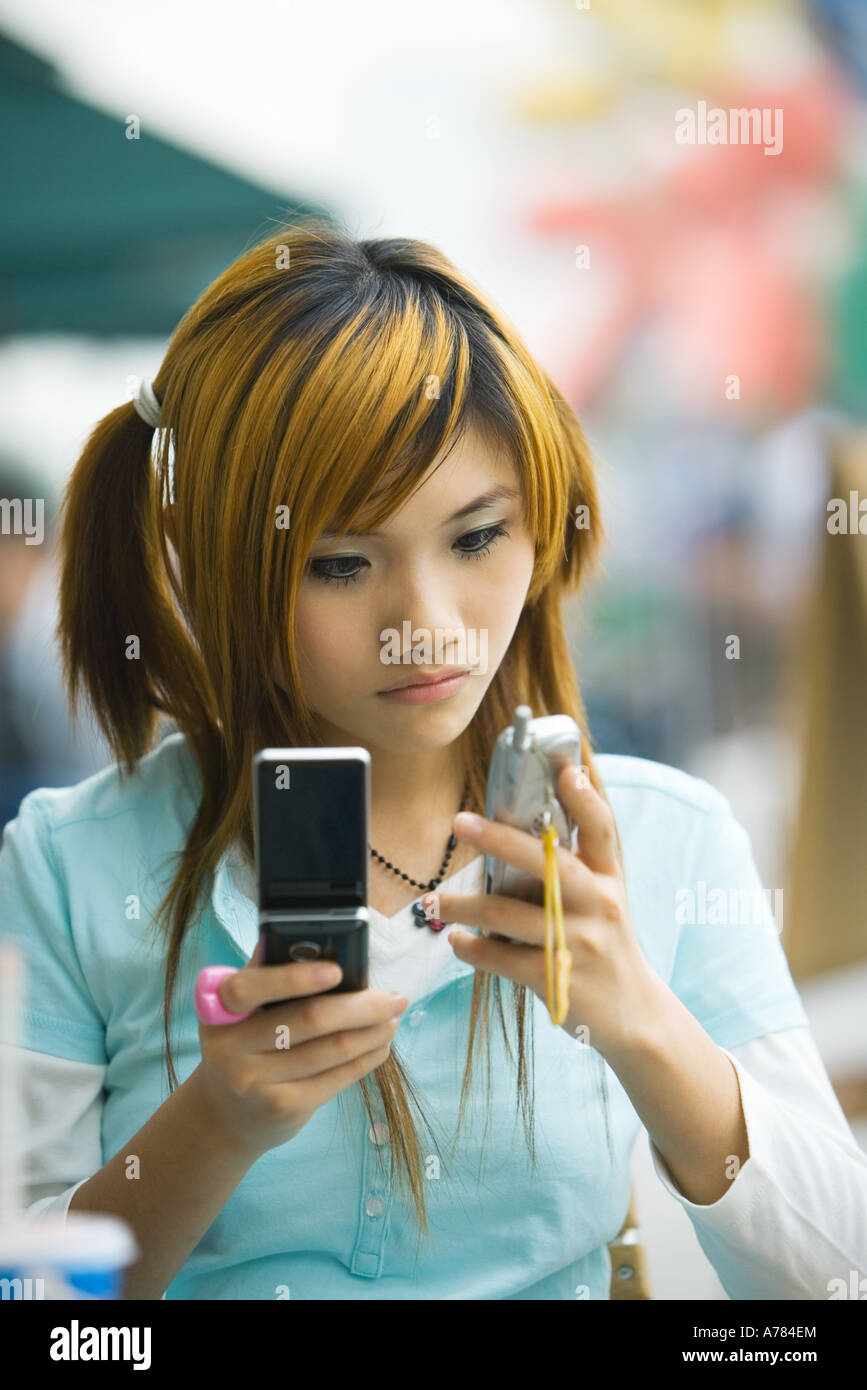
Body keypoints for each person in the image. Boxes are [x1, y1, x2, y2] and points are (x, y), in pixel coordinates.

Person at [2, 219, 865, 1301]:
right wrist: (211, 1127)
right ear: (221, 564)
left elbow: (836, 1283)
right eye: (341, 562)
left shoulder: (667, 836)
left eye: (474, 538)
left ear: (541, 527)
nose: (427, 623)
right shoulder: (69, 869)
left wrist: (641, 1020)